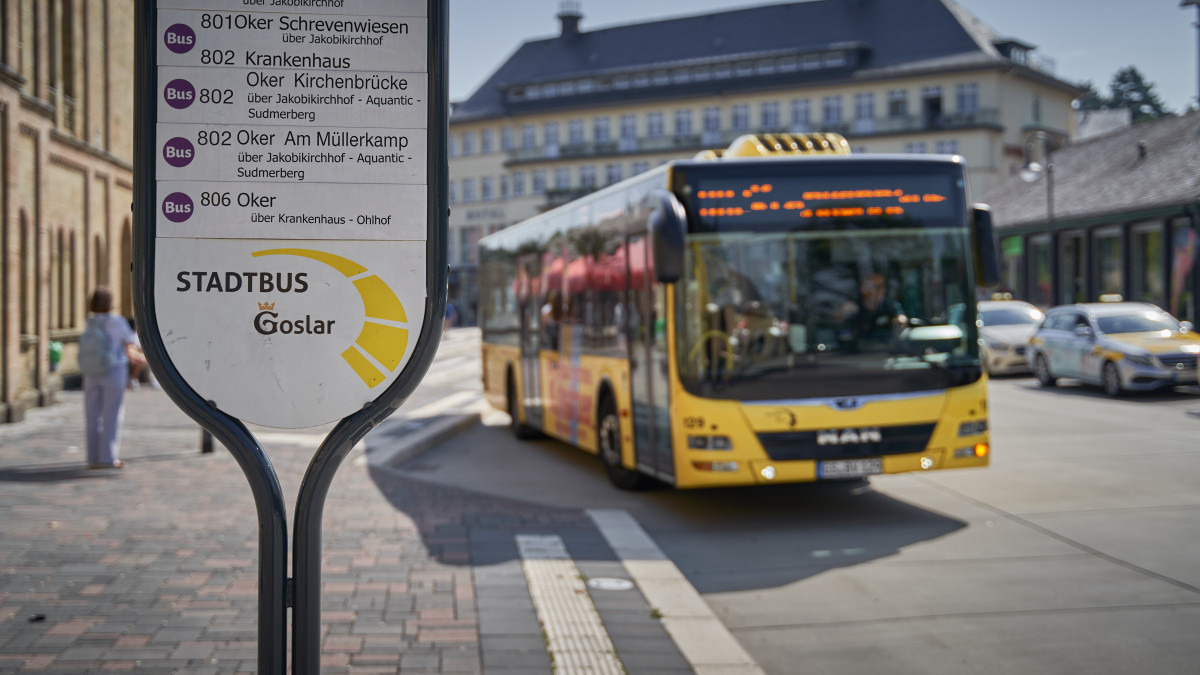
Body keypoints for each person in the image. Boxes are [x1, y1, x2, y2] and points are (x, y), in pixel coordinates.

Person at [82, 286, 137, 469]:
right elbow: (131, 344)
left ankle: (93, 458)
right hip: (114, 370)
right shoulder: (117, 321)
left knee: (92, 416)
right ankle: (108, 458)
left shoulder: (89, 322)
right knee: (112, 415)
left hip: (91, 372)